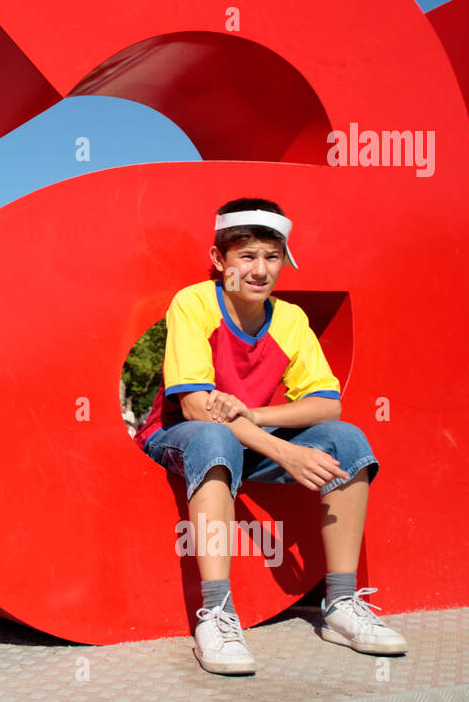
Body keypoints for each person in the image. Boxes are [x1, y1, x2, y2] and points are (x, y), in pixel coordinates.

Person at [135, 198, 407, 676]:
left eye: (272, 256)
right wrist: (286, 451)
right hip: (180, 436)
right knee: (213, 439)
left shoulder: (290, 319)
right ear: (220, 260)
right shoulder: (195, 302)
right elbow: (198, 406)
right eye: (247, 256)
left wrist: (255, 415)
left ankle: (341, 605)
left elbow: (327, 403)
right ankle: (216, 614)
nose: (260, 270)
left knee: (346, 440)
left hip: (250, 436)